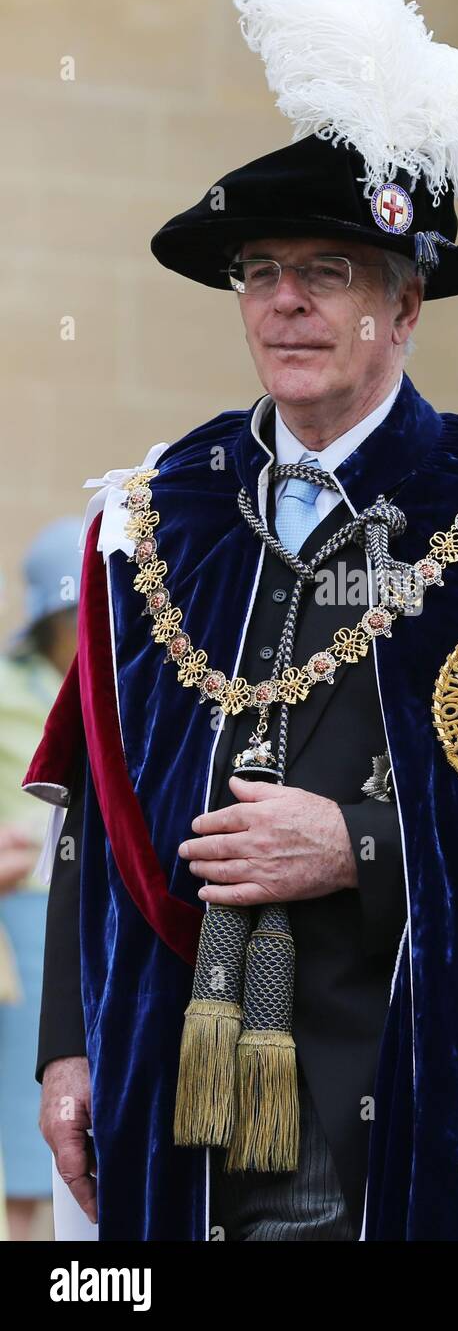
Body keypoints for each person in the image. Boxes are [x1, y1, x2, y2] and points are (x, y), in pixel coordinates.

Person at [27, 0, 458, 1242]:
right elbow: (91, 814)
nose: (285, 302)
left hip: (400, 1089)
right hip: (172, 1092)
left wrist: (364, 844)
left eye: (328, 270)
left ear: (406, 302)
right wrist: (65, 1047)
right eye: (260, 272)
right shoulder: (157, 515)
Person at [0, 518, 81, 1240]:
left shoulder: (122, 685)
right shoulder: (7, 687)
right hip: (17, 916)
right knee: (22, 1108)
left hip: (87, 908)